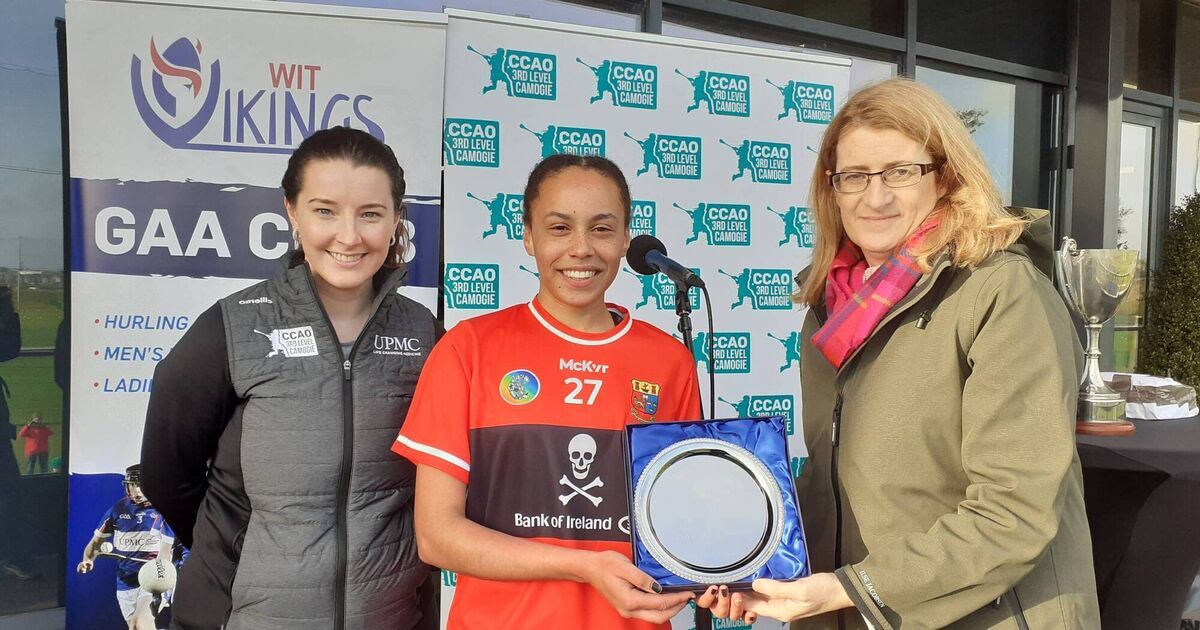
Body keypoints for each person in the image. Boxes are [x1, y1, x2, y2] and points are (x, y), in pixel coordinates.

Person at [712, 78, 1101, 629]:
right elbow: (833, 484)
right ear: (832, 190)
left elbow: (1012, 513)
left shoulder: (1003, 292)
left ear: (946, 176)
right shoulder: (830, 310)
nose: (875, 198)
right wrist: (745, 563)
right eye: (855, 176)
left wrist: (853, 588)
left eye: (900, 172)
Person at [140, 126, 440, 630]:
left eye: (370, 214)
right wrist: (233, 553)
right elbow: (167, 476)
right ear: (292, 212)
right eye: (325, 211)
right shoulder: (232, 328)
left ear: (395, 221)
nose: (349, 236)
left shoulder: (426, 335)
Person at [393, 154, 701, 629]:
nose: (581, 249)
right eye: (559, 228)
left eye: (601, 229)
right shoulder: (468, 348)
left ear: (625, 239)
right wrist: (582, 566)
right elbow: (437, 537)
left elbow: (680, 523)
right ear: (528, 236)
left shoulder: (670, 362)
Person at [77, 465, 176, 630]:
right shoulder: (118, 510)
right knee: (137, 627)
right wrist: (87, 560)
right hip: (125, 583)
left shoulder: (165, 510)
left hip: (154, 579)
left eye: (141, 485)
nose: (136, 491)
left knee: (139, 625)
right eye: (132, 485)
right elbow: (94, 545)